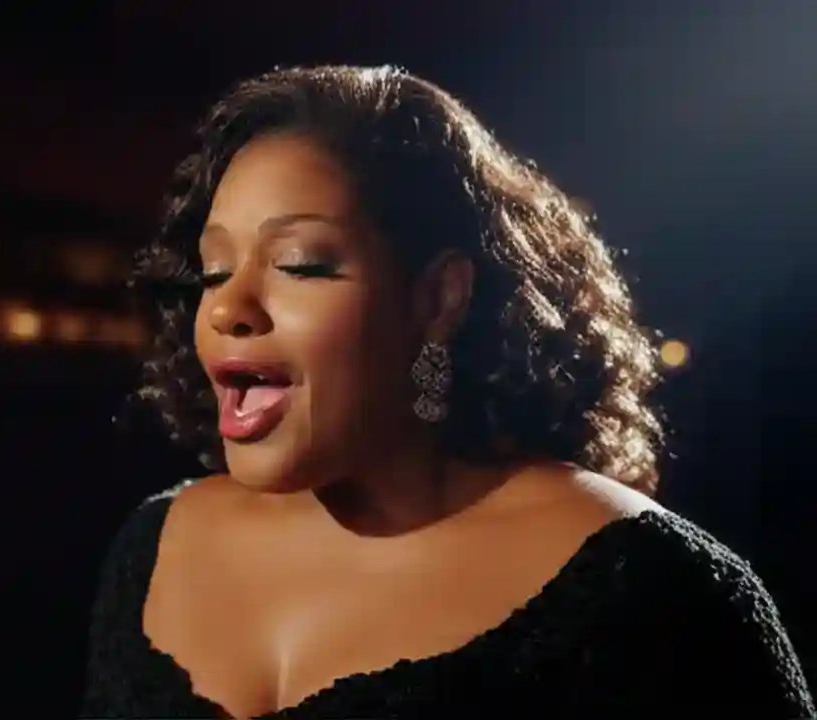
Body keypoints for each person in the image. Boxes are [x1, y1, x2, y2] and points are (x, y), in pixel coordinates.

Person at [79, 65, 814, 719]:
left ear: (438, 299)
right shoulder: (153, 548)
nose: (226, 307)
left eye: (299, 264)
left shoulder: (653, 592)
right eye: (213, 270)